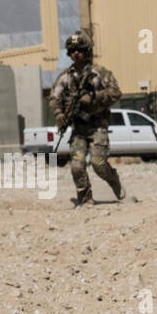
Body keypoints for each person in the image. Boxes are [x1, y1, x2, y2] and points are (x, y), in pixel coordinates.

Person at [49, 32, 125, 207]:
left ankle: (114, 181)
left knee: (99, 164)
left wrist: (94, 99)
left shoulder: (99, 72)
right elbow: (54, 97)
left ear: (87, 51)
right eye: (72, 50)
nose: (76, 53)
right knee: (76, 166)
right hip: (79, 128)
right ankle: (85, 199)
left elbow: (116, 92)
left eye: (80, 50)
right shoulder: (66, 76)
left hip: (98, 125)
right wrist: (59, 114)